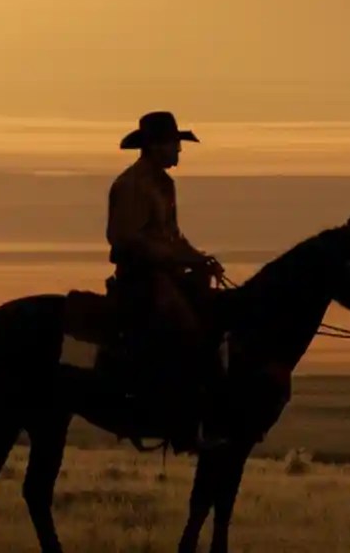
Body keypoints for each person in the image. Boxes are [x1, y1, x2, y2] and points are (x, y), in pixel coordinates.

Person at [106, 111, 227, 451]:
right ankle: (179, 424)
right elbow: (126, 238)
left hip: (166, 272)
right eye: (174, 143)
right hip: (141, 276)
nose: (179, 150)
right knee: (184, 328)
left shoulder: (164, 185)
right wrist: (178, 258)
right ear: (156, 146)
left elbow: (173, 236)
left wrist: (198, 258)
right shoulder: (131, 185)